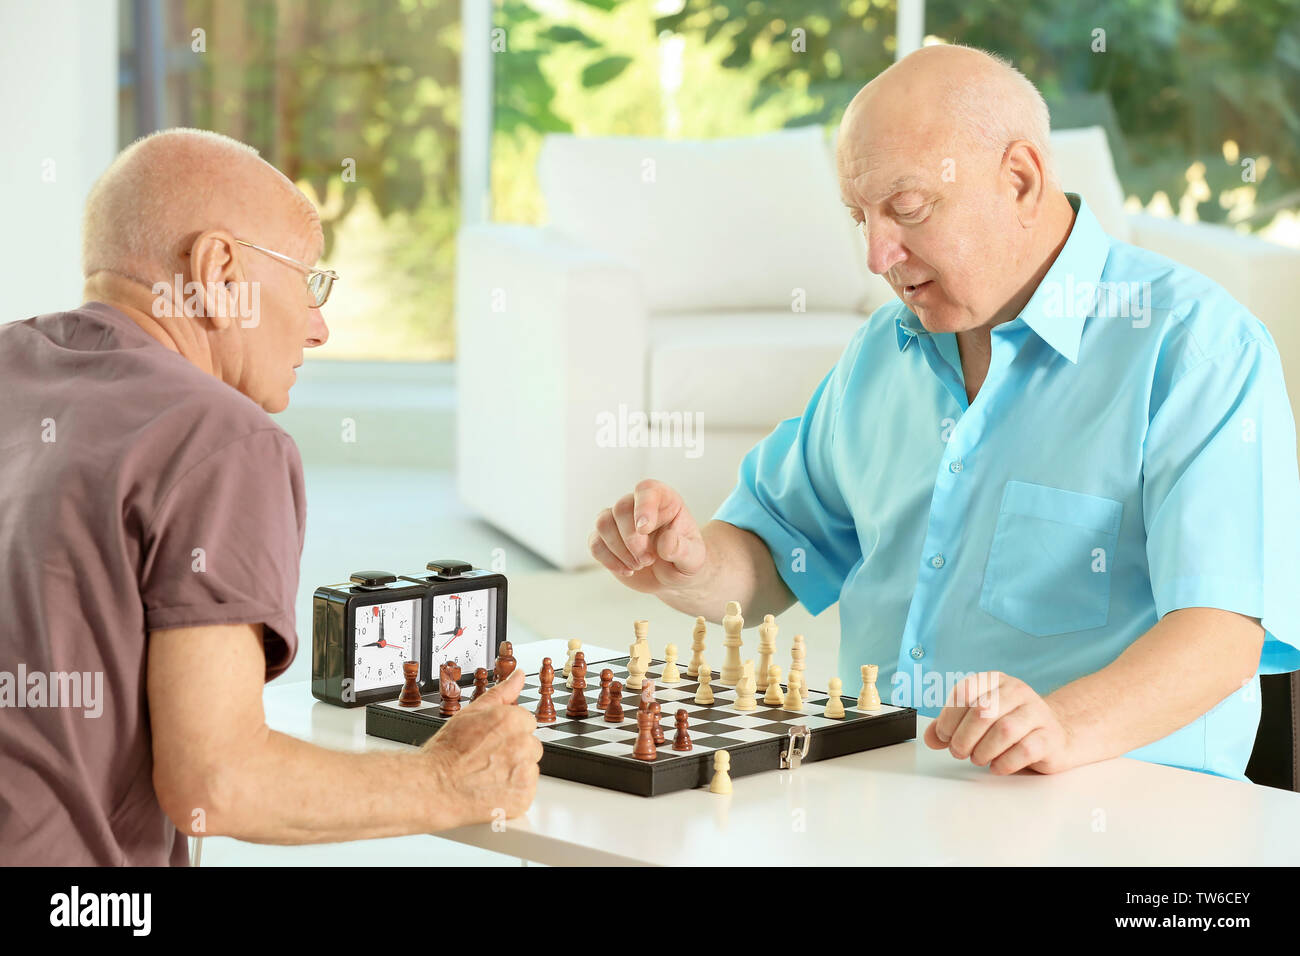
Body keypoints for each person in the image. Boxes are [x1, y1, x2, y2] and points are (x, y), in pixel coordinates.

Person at [589, 45, 1300, 782]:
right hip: (890, 796)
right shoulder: (882, 352)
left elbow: (1223, 632)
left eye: (907, 209)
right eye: (859, 217)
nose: (875, 254)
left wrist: (1062, 725)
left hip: (1112, 806)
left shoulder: (1198, 349)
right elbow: (775, 554)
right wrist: (689, 564)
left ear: (1020, 180)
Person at [0, 128, 541, 866]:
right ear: (218, 269)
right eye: (310, 280)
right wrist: (446, 780)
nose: (319, 327)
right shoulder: (219, 438)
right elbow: (218, 783)